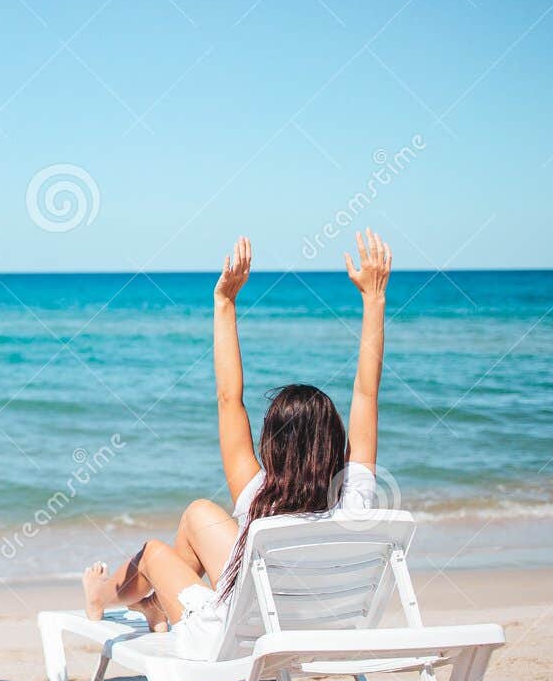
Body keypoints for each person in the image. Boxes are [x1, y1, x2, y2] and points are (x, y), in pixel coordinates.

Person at [82, 229, 394, 655]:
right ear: (334, 440)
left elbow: (229, 398)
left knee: (153, 552)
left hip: (235, 639)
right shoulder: (355, 495)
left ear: (272, 445)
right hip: (314, 627)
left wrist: (224, 302)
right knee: (199, 514)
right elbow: (366, 394)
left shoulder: (256, 499)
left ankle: (103, 595)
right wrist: (374, 299)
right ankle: (153, 605)